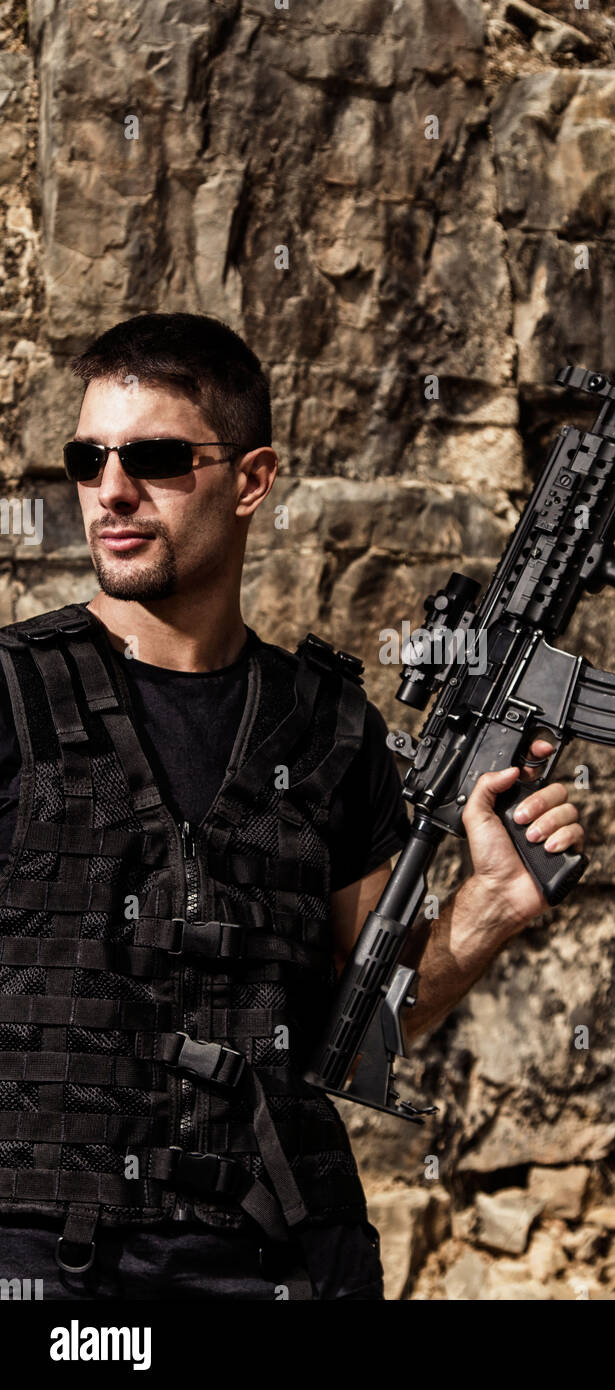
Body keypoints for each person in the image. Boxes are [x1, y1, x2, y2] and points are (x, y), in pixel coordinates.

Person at [0, 313, 583, 1299]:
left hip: (279, 1256)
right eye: (87, 457)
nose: (111, 491)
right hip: (44, 1265)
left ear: (252, 479)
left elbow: (357, 1032)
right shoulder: (10, 697)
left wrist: (486, 911)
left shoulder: (329, 729)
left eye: (154, 456)